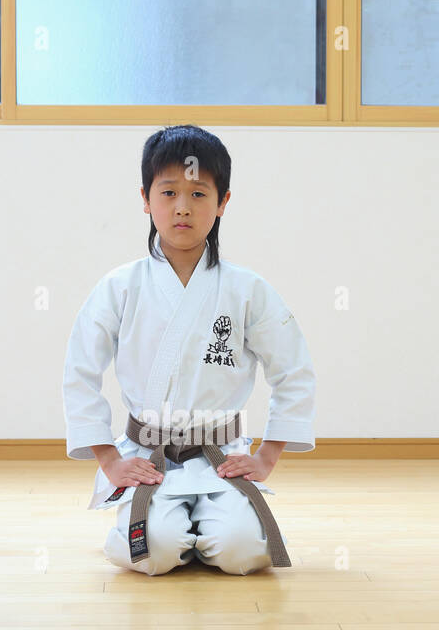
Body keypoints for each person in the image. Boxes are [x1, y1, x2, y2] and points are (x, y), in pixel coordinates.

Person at [63, 125, 316, 576]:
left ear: (223, 203)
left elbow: (293, 370)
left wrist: (267, 454)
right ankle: (155, 526)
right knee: (154, 552)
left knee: (243, 554)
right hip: (149, 458)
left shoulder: (247, 289)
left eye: (199, 194)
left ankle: (206, 527)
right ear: (145, 199)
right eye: (169, 192)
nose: (183, 207)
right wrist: (109, 460)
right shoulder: (120, 287)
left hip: (221, 456)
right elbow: (79, 372)